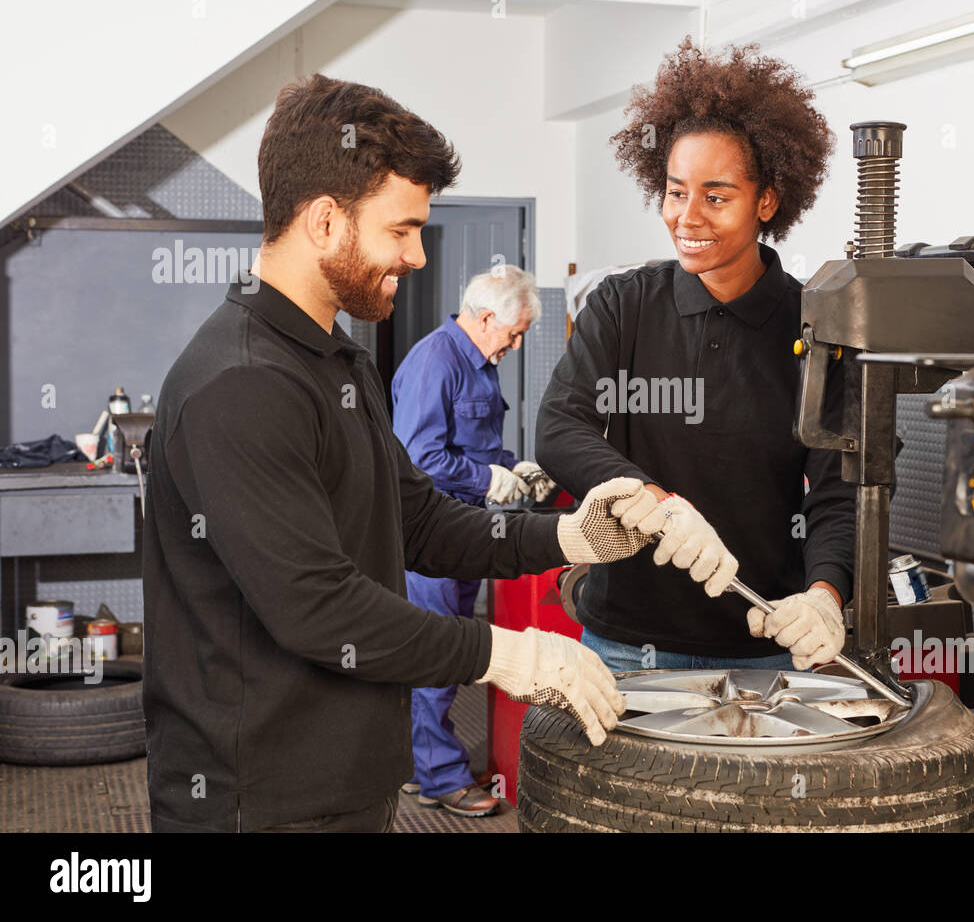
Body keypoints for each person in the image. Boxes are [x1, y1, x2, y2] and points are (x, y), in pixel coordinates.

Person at [141, 73, 661, 833]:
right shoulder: (240, 384)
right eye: (401, 229)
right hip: (258, 802)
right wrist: (510, 655)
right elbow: (319, 609)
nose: (418, 255)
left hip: (349, 779)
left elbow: (415, 519)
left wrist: (568, 535)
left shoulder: (338, 362)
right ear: (325, 221)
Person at [536, 38, 856, 672]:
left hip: (762, 650)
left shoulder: (816, 328)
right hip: (626, 644)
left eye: (716, 196)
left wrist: (825, 597)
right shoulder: (623, 306)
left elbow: (838, 491)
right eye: (675, 192)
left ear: (766, 202)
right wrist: (654, 501)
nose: (688, 217)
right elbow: (560, 427)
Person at [390, 264, 555, 816]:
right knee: (439, 653)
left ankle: (422, 765)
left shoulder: (481, 364)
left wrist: (516, 466)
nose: (517, 343)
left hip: (465, 530)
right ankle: (440, 777)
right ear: (487, 318)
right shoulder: (434, 361)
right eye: (514, 333)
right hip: (430, 532)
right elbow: (418, 458)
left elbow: (477, 448)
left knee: (454, 649)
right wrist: (489, 480)